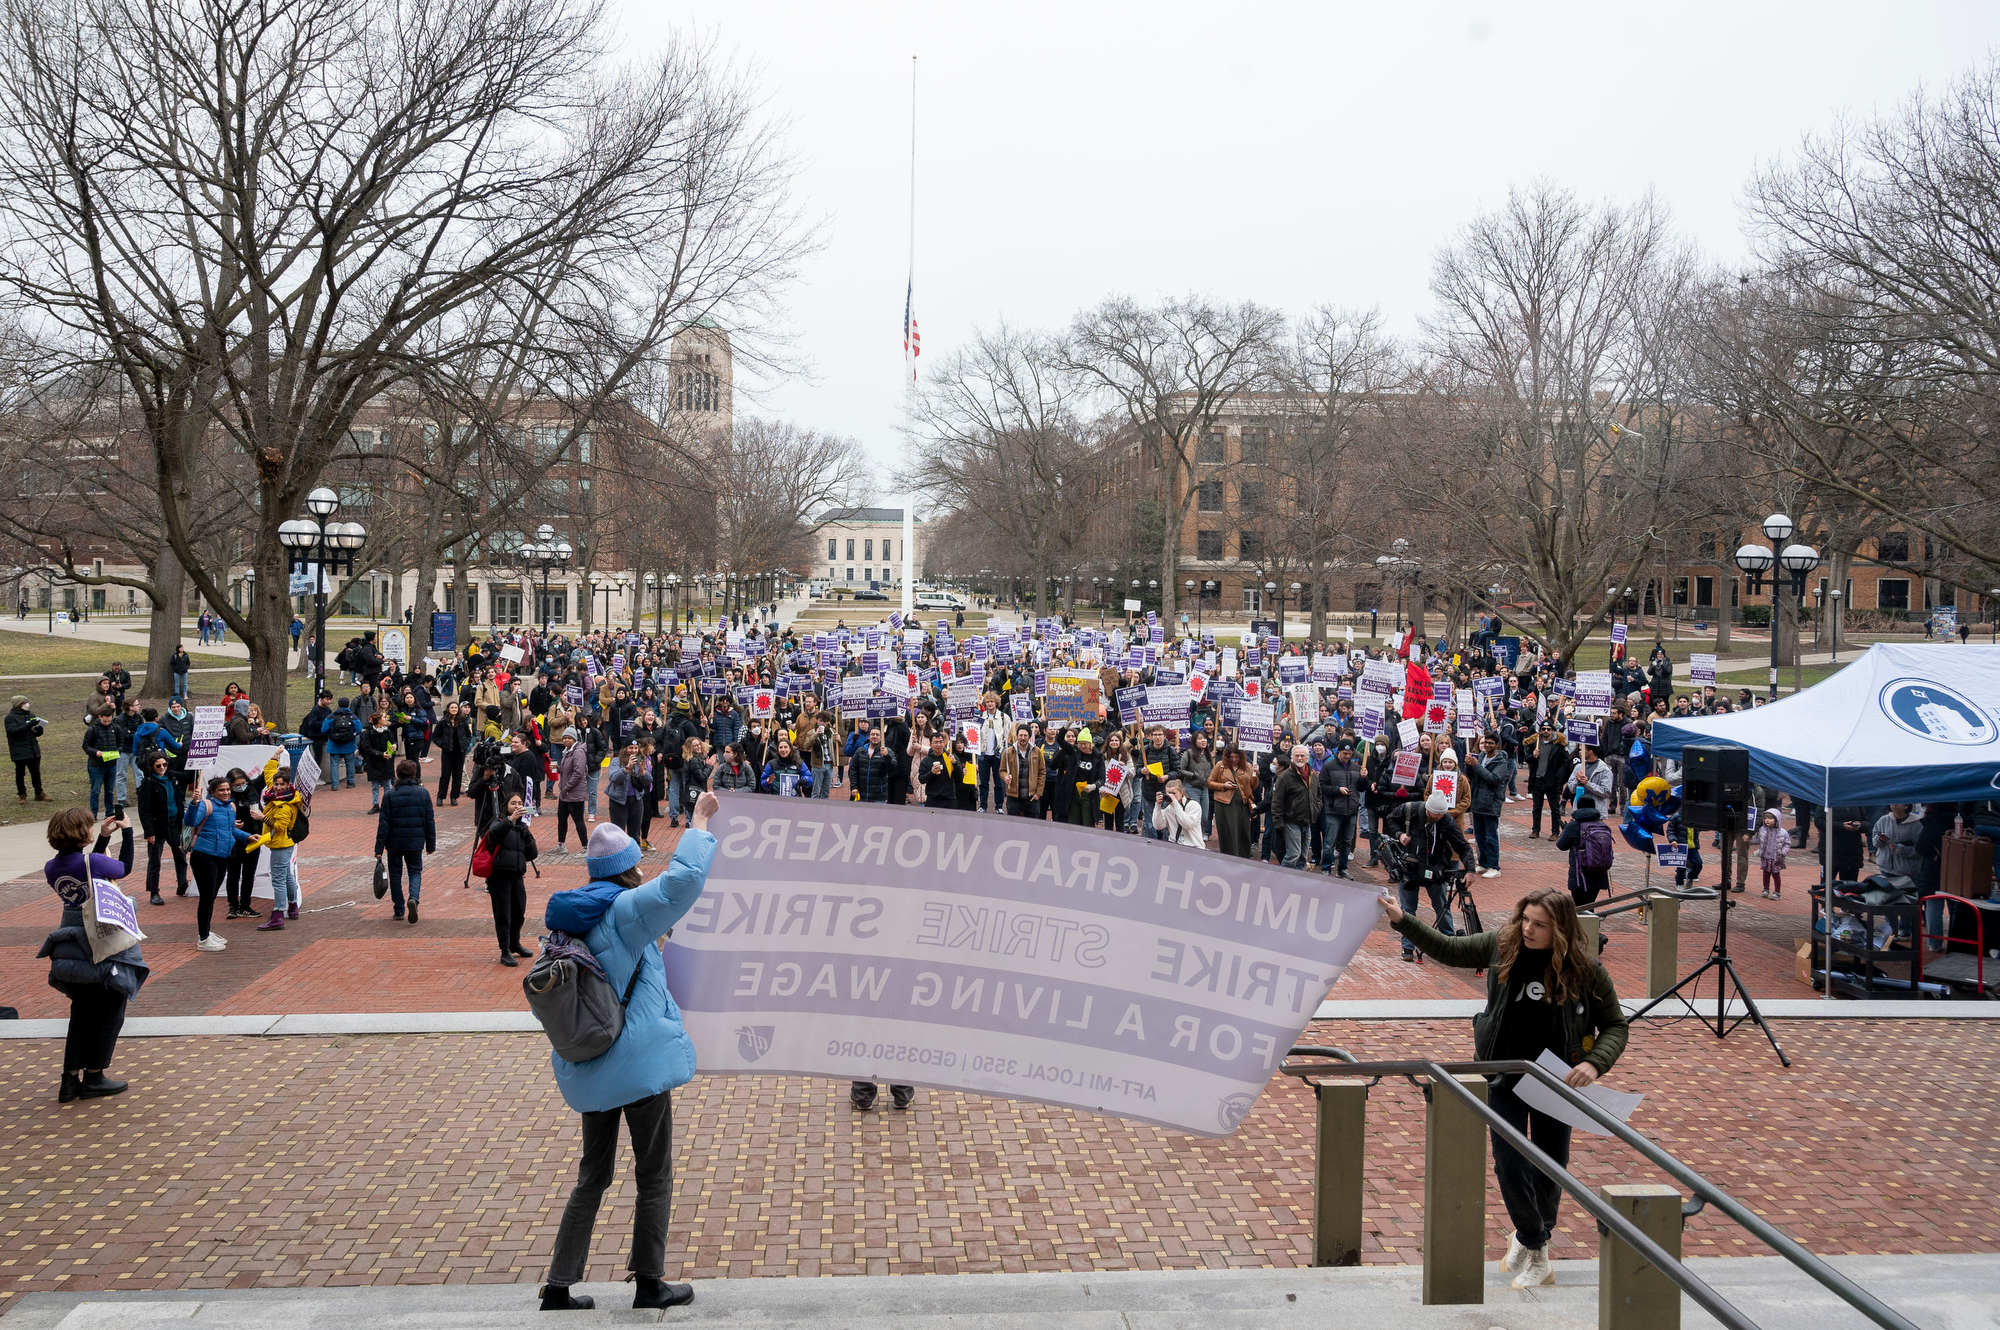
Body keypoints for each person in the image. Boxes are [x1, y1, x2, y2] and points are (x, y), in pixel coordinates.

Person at [1378, 885, 1629, 1291]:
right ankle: (1537, 1248)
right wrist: (1401, 919)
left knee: (1551, 1166)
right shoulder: (1502, 945)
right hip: (1504, 1075)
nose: (1528, 929)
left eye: (1540, 925)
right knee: (1510, 1165)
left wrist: (1593, 1062)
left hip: (1555, 1081)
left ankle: (1530, 1241)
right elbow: (1448, 949)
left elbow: (1616, 1025)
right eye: (1526, 919)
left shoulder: (1585, 970)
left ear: (1561, 930)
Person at [537, 802, 719, 1311]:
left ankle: (558, 1284)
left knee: (592, 1175)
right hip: (638, 1066)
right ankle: (649, 1282)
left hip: (590, 1065)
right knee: (653, 1172)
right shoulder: (625, 909)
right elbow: (681, 883)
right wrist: (700, 824)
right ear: (629, 868)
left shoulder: (571, 918)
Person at [40, 808, 145, 1102]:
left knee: (81, 1014)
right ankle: (95, 1077)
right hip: (102, 946)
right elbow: (121, 868)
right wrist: (126, 831)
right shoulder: (93, 862)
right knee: (110, 1011)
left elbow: (87, 873)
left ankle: (69, 1081)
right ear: (79, 832)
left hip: (70, 946)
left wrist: (100, 839)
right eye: (89, 826)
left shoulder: (51, 867)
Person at [1385, 791, 1469, 960]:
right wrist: (1399, 834)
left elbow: (1463, 846)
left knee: (1441, 904)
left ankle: (1448, 940)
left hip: (1434, 867)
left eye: (1441, 815)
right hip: (1409, 867)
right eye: (1435, 814)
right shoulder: (1410, 809)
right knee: (1408, 909)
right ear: (1428, 809)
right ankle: (1407, 948)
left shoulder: (1446, 820)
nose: (1438, 817)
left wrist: (1471, 870)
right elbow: (1390, 819)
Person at [183, 775, 252, 951]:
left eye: (227, 790)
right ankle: (203, 939)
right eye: (221, 790)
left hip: (222, 856)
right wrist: (193, 803)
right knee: (207, 897)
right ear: (212, 792)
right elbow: (189, 821)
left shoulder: (231, 806)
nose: (226, 793)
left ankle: (206, 932)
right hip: (204, 856)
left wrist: (248, 837)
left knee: (211, 896)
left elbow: (231, 831)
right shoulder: (206, 805)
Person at [375, 759, 436, 922]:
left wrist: (378, 848)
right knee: (415, 871)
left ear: (398, 775)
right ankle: (414, 898)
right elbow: (429, 820)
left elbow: (384, 823)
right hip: (415, 841)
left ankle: (399, 908)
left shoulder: (389, 794)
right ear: (414, 774)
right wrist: (431, 844)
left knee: (395, 874)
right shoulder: (423, 793)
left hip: (394, 842)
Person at [481, 792, 537, 966]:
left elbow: (532, 854)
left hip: (517, 876)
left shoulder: (521, 827)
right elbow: (493, 835)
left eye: (520, 803)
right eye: (514, 803)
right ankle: (505, 949)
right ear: (506, 806)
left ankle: (515, 943)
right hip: (499, 877)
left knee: (519, 912)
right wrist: (510, 820)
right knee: (503, 915)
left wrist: (528, 836)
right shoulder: (499, 822)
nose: (518, 806)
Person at [251, 758, 307, 928]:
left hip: (281, 844)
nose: (278, 787)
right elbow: (269, 773)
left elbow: (280, 826)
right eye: (276, 784)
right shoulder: (275, 794)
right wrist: (274, 757)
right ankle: (292, 907)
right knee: (287, 875)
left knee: (278, 879)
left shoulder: (284, 804)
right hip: (284, 843)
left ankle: (278, 914)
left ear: (288, 784)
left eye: (282, 784)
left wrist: (263, 818)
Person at [135, 752, 188, 905]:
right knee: (155, 860)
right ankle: (154, 892)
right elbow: (143, 810)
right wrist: (149, 831)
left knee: (180, 855)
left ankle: (182, 884)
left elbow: (190, 777)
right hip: (158, 826)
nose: (162, 768)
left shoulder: (172, 777)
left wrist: (194, 761)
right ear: (152, 767)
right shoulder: (148, 784)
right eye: (158, 766)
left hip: (175, 823)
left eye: (164, 764)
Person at [1465, 733, 1515, 879]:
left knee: (1490, 836)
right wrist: (1469, 766)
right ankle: (1484, 863)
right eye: (1485, 742)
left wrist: (1476, 766)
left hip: (1491, 802)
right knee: (1479, 835)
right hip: (1477, 801)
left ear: (1497, 745)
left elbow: (1493, 779)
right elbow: (1473, 776)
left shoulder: (1501, 762)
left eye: (1490, 743)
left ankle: (1494, 866)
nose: (1487, 745)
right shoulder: (1480, 757)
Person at [1554, 792, 1613, 907]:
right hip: (1599, 872)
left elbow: (1561, 845)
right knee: (1590, 906)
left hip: (1579, 874)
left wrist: (1565, 831)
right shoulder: (1601, 825)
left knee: (1579, 908)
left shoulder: (1574, 825)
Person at [1272, 745, 1322, 870]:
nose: (1299, 758)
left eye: (1302, 755)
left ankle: (1297, 883)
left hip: (1307, 821)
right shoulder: (1285, 777)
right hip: (1291, 821)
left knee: (1303, 857)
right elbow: (1277, 802)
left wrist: (1316, 808)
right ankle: (1281, 879)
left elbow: (1318, 794)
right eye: (1297, 756)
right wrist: (1278, 823)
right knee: (1293, 854)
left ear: (1307, 757)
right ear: (1292, 757)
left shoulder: (1312, 775)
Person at [1209, 745, 1257, 859]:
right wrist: (1223, 786)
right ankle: (1228, 856)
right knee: (1227, 831)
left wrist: (1256, 774)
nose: (1234, 759)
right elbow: (1210, 782)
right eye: (1231, 757)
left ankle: (1243, 855)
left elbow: (1254, 786)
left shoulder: (1248, 766)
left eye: (1236, 757)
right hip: (1224, 803)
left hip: (1242, 803)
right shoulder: (1220, 766)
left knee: (1242, 830)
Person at [8, 694, 48, 804]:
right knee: (20, 773)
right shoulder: (10, 718)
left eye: (27, 702)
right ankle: (22, 795)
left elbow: (35, 732)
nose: (26, 705)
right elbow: (13, 731)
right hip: (19, 750)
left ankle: (39, 793)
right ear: (18, 705)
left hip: (33, 749)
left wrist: (39, 729)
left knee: (36, 772)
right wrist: (28, 725)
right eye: (24, 703)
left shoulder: (30, 715)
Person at [999, 724, 1044, 817]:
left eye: (1025, 735)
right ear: (1017, 736)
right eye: (1021, 735)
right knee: (1013, 826)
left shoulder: (1037, 751)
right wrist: (1005, 777)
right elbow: (1002, 770)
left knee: (1032, 827)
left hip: (1031, 797)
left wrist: (1038, 793)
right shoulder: (1008, 752)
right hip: (1014, 797)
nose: (1023, 738)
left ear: (1029, 736)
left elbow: (1042, 772)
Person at [359, 709, 397, 811]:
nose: (386, 719)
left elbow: (394, 741)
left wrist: (394, 745)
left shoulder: (387, 731)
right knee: (375, 785)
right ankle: (375, 804)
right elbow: (367, 748)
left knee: (387, 785)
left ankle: (387, 804)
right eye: (384, 717)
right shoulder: (369, 733)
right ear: (378, 720)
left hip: (386, 762)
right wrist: (381, 754)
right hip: (374, 762)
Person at [1151, 777, 1205, 847]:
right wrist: (1158, 806)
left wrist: (1175, 804)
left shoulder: (1194, 805)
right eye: (1168, 793)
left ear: (1181, 792)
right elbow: (1158, 826)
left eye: (1174, 793)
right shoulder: (1168, 809)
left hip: (1193, 846)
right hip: (1175, 846)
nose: (1171, 796)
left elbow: (1187, 824)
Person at [324, 697, 362, 788]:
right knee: (350, 763)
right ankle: (350, 782)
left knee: (334, 765)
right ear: (348, 705)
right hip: (349, 744)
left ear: (338, 705)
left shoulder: (331, 716)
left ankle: (335, 785)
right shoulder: (353, 717)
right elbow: (360, 729)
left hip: (334, 744)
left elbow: (324, 729)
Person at [1755, 807, 1789, 900]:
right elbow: (1758, 839)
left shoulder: (1783, 832)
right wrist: (1750, 840)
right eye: (1765, 818)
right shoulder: (1762, 830)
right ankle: (1766, 889)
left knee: (1776, 874)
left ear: (1777, 819)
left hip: (1776, 857)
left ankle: (1777, 892)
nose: (1767, 820)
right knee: (1765, 874)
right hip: (1765, 856)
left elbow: (1787, 843)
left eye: (1770, 818)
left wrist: (1783, 852)